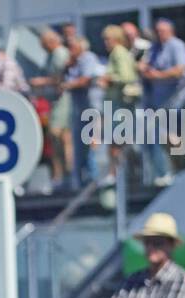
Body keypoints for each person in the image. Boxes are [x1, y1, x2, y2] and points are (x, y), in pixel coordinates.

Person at [138, 18, 185, 185]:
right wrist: (143, 68)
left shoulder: (177, 45)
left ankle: (182, 171)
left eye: (163, 31)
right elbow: (146, 66)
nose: (160, 34)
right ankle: (169, 172)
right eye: (158, 31)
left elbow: (181, 69)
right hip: (158, 103)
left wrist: (159, 76)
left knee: (176, 140)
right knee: (160, 137)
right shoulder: (154, 48)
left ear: (171, 31)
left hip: (176, 100)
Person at [29, 28, 72, 188]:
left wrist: (42, 82)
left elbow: (62, 78)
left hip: (63, 100)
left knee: (59, 134)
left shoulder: (59, 54)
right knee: (55, 138)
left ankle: (66, 172)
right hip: (55, 101)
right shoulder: (50, 56)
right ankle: (59, 174)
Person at [63, 35, 105, 186]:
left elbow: (86, 79)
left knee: (94, 143)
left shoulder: (88, 58)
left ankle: (96, 179)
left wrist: (69, 85)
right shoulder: (73, 64)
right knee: (80, 147)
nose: (70, 50)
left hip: (92, 108)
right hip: (80, 110)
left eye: (72, 47)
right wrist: (68, 67)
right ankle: (82, 180)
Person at [99, 26, 140, 180]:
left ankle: (116, 173)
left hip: (120, 104)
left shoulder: (118, 53)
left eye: (107, 39)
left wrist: (109, 79)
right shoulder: (118, 53)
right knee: (120, 141)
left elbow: (127, 77)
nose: (105, 43)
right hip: (118, 104)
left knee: (117, 141)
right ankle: (123, 173)